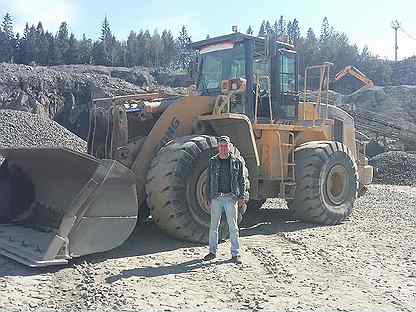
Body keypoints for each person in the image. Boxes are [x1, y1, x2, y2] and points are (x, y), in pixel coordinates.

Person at [203, 136, 249, 264]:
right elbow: (209, 180)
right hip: (216, 198)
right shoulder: (213, 161)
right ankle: (212, 252)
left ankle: (236, 254)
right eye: (221, 146)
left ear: (229, 147)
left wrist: (242, 197)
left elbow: (241, 181)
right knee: (213, 226)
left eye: (225, 146)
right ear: (218, 147)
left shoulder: (236, 162)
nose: (223, 148)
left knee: (233, 227)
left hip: (231, 198)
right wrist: (208, 197)